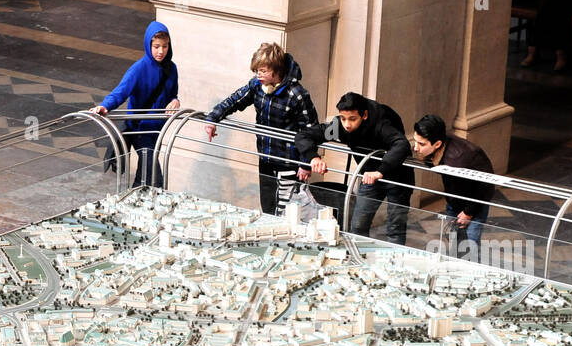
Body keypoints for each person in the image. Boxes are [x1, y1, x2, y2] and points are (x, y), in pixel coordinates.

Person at [205, 42, 318, 215]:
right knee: (267, 207)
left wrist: (306, 163)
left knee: (287, 212)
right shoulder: (257, 85)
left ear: (276, 70)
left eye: (263, 71)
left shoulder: (297, 94)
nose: (258, 75)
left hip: (289, 161)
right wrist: (213, 118)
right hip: (265, 159)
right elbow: (235, 100)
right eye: (256, 70)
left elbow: (310, 129)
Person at [295, 91, 414, 245]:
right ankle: (360, 261)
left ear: (364, 115)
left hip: (398, 177)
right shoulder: (340, 126)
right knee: (357, 226)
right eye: (343, 118)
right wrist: (313, 157)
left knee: (395, 229)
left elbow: (402, 144)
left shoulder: (381, 123)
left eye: (352, 119)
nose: (347, 124)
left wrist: (380, 171)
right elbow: (303, 136)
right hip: (370, 177)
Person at [92, 21, 181, 188]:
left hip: (157, 129)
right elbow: (121, 91)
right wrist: (104, 106)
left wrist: (175, 101)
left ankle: (134, 201)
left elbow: (172, 94)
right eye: (156, 46)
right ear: (148, 45)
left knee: (146, 172)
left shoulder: (172, 69)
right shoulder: (138, 69)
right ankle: (140, 203)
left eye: (165, 46)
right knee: (153, 176)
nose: (161, 51)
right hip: (140, 128)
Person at [411, 114, 496, 261]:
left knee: (469, 246)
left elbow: (485, 186)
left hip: (474, 204)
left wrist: (468, 212)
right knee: (457, 243)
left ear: (437, 144)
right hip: (455, 200)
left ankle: (470, 274)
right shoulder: (441, 146)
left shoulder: (458, 160)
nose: (415, 148)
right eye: (416, 141)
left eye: (422, 144)